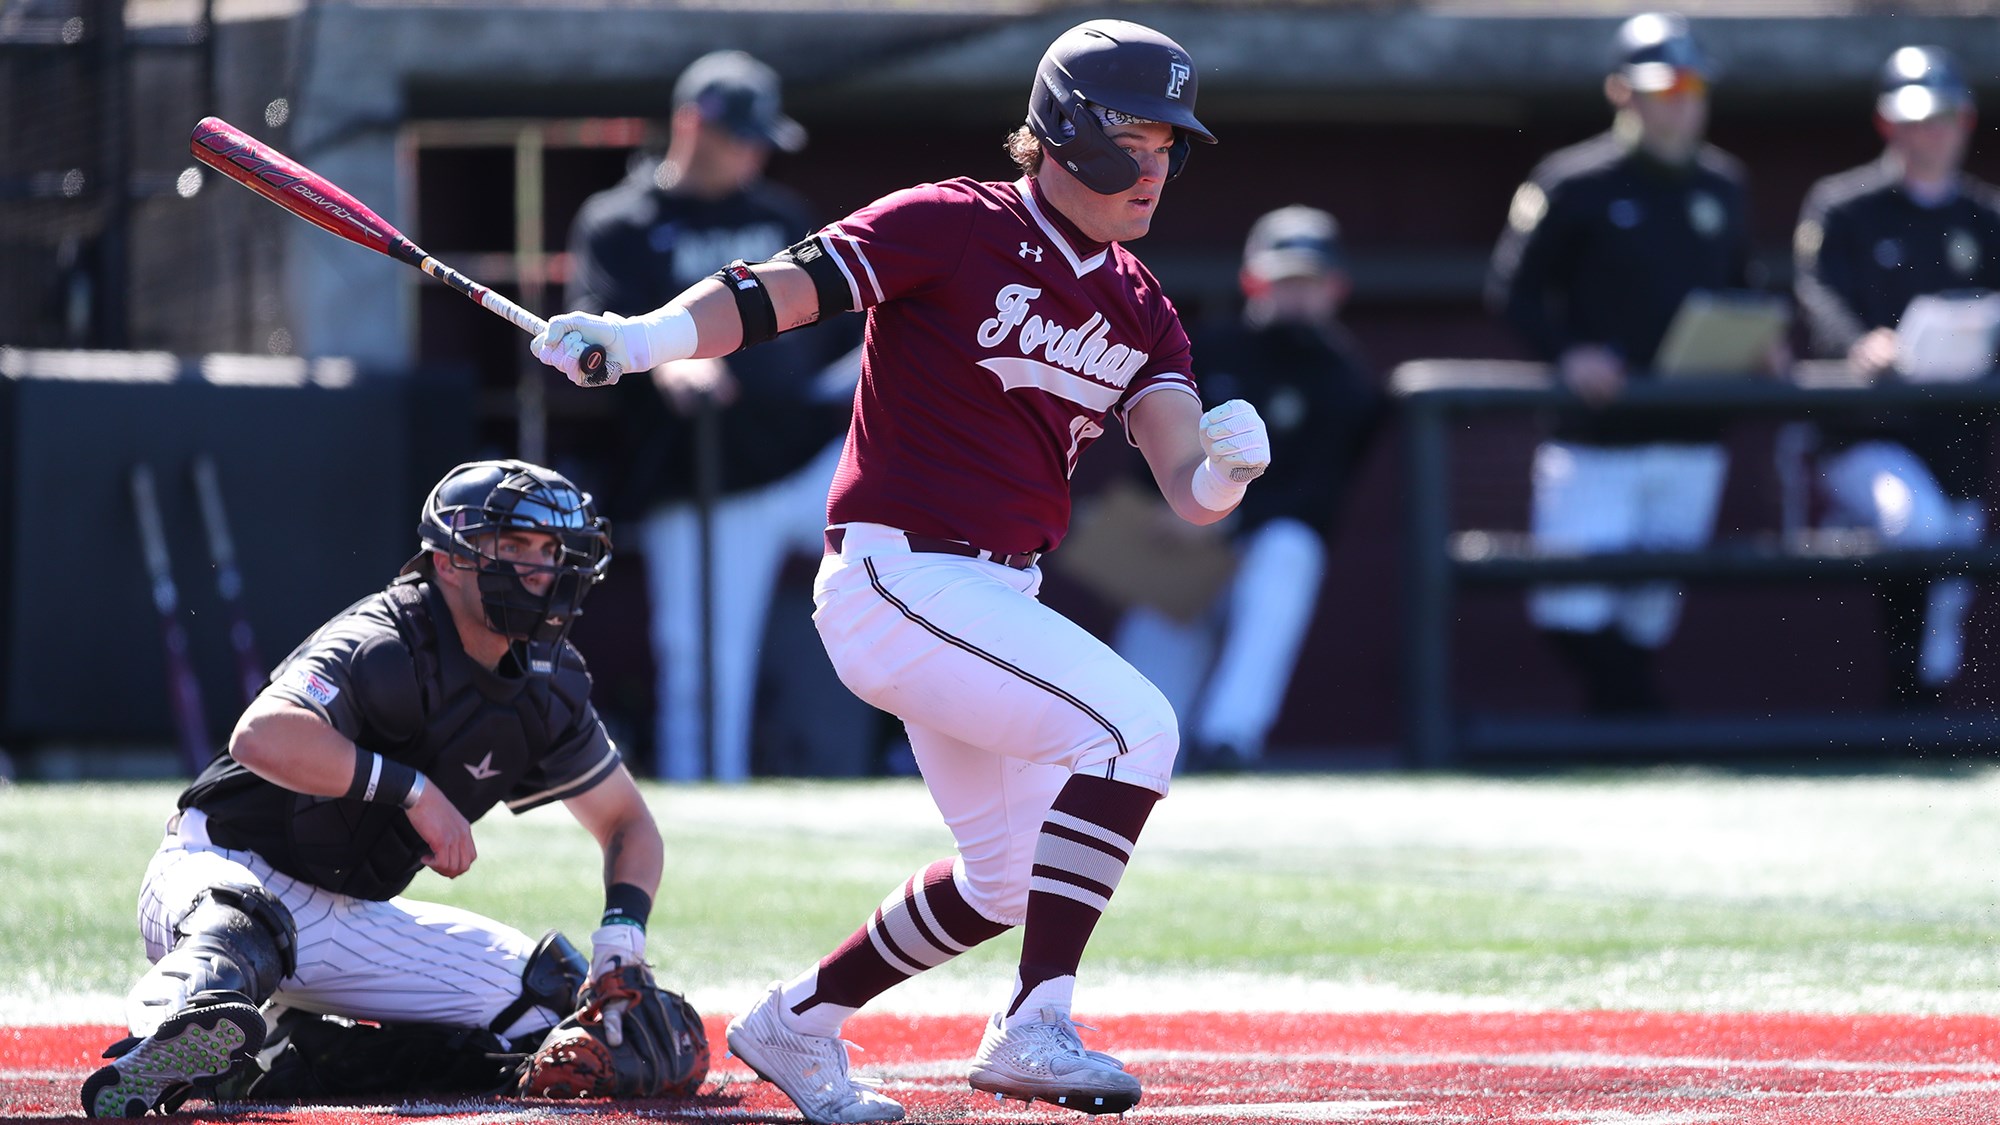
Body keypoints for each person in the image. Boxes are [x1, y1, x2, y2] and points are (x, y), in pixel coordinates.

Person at [532, 18, 1267, 1122]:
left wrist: (1228, 473)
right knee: (1133, 729)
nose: (1156, 168)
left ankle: (795, 1022)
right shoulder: (949, 221)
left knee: (1003, 879)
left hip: (988, 595)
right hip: (898, 579)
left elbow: (1183, 487)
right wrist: (639, 340)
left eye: (1171, 144)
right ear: (1064, 130)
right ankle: (1035, 1023)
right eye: (1135, 138)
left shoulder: (1140, 300)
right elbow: (768, 294)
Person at [82, 460, 665, 1118]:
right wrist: (414, 790)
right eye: (515, 546)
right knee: (242, 933)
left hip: (348, 918)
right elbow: (262, 734)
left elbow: (628, 823)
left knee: (553, 1001)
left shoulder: (549, 684)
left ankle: (280, 1059)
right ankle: (172, 1034)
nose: (541, 568)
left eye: (552, 550)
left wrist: (623, 937)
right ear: (449, 559)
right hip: (218, 871)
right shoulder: (383, 640)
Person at [567, 48, 860, 782]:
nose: (757, 152)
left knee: (933, 537)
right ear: (692, 124)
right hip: (702, 473)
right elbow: (594, 335)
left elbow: (833, 328)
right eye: (744, 134)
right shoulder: (621, 222)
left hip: (806, 460)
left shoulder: (777, 214)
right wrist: (667, 358)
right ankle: (705, 806)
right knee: (703, 665)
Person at [1486, 11, 1760, 714]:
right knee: (1572, 606)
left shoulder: (1724, 186)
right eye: (1662, 87)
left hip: (1693, 436)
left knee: (1649, 610)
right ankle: (1639, 715)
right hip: (1596, 435)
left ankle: (1622, 722)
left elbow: (1743, 290)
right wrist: (1568, 354)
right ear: (1621, 92)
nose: (1679, 102)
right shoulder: (1574, 181)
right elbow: (1512, 291)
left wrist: (1763, 340)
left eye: (1692, 87)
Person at [1112, 205, 1383, 771]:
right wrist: (1173, 512)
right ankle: (1140, 756)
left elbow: (1315, 499)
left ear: (1336, 288)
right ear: (1253, 280)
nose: (1296, 295)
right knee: (1137, 725)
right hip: (1179, 540)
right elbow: (1152, 442)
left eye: (1309, 281)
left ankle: (1230, 738)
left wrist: (1224, 517)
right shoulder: (1205, 349)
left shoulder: (1348, 380)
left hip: (1256, 548)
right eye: (1284, 279)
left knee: (1291, 550)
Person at [1792, 45, 2000, 707]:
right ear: (1888, 125)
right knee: (1913, 529)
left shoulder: (1985, 218)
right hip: (1868, 428)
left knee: (1950, 589)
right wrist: (1859, 344)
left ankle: (1916, 717)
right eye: (1914, 121)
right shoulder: (1844, 206)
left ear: (1965, 121)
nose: (1928, 136)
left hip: (1958, 438)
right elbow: (1815, 294)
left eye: (1941, 120)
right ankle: (1904, 701)